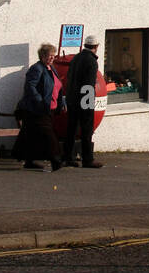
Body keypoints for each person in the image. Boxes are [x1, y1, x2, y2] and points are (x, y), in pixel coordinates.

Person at [13, 43, 66, 171]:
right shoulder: (37, 68)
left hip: (49, 108)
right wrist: (40, 101)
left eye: (54, 56)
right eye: (50, 56)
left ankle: (29, 160)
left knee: (30, 134)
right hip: (36, 109)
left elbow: (58, 87)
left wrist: (61, 103)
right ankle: (56, 160)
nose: (52, 58)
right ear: (42, 56)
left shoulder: (51, 68)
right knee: (48, 134)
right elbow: (30, 86)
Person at [63, 35, 104, 168]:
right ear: (96, 47)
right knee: (86, 130)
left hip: (71, 98)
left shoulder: (76, 58)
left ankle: (67, 157)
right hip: (84, 100)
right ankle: (88, 159)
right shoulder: (91, 61)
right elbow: (88, 84)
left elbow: (69, 78)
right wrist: (88, 104)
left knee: (71, 129)